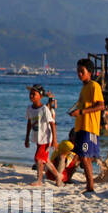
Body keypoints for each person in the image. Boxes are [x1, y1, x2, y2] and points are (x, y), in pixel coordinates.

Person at [68, 58, 103, 193]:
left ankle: (90, 187)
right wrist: (76, 113)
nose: (79, 74)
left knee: (84, 156)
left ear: (90, 72)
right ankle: (89, 186)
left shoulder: (94, 86)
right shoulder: (84, 88)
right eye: (78, 71)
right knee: (83, 156)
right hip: (82, 127)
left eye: (82, 71)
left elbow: (101, 105)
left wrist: (81, 111)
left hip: (89, 127)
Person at [24, 84, 61, 185]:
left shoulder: (44, 109)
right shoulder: (29, 108)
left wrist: (54, 140)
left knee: (38, 158)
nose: (31, 96)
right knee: (45, 159)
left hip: (46, 138)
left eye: (34, 94)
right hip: (38, 138)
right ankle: (58, 176)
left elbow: (52, 123)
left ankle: (39, 180)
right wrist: (27, 137)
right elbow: (29, 123)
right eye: (30, 94)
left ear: (40, 96)